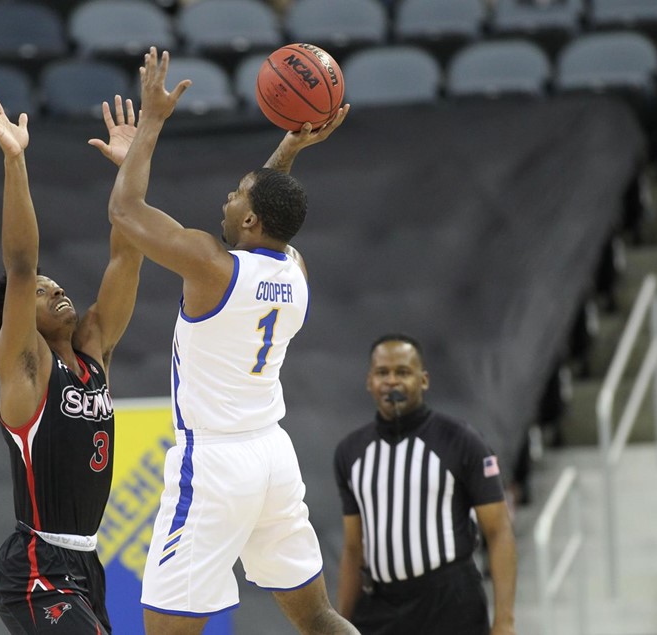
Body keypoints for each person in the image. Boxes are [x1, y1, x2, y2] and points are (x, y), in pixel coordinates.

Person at [108, 47, 356, 635]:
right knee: (318, 616)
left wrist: (152, 122)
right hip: (273, 456)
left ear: (249, 221)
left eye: (237, 195)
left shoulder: (212, 265)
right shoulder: (292, 269)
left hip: (214, 464)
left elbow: (125, 209)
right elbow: (272, 206)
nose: (228, 197)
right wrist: (289, 148)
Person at [0, 90, 144, 633]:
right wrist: (14, 159)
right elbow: (22, 265)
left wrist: (129, 170)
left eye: (57, 286)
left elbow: (127, 252)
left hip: (86, 563)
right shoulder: (26, 367)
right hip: (35, 567)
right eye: (44, 294)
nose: (57, 291)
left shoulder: (94, 351)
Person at [333, 334, 517, 635]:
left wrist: (505, 621)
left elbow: (498, 531)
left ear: (424, 380)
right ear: (369, 381)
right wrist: (342, 622)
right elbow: (354, 549)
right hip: (382, 605)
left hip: (451, 603)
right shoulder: (350, 452)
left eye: (403, 372)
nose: (392, 381)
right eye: (383, 373)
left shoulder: (462, 440)